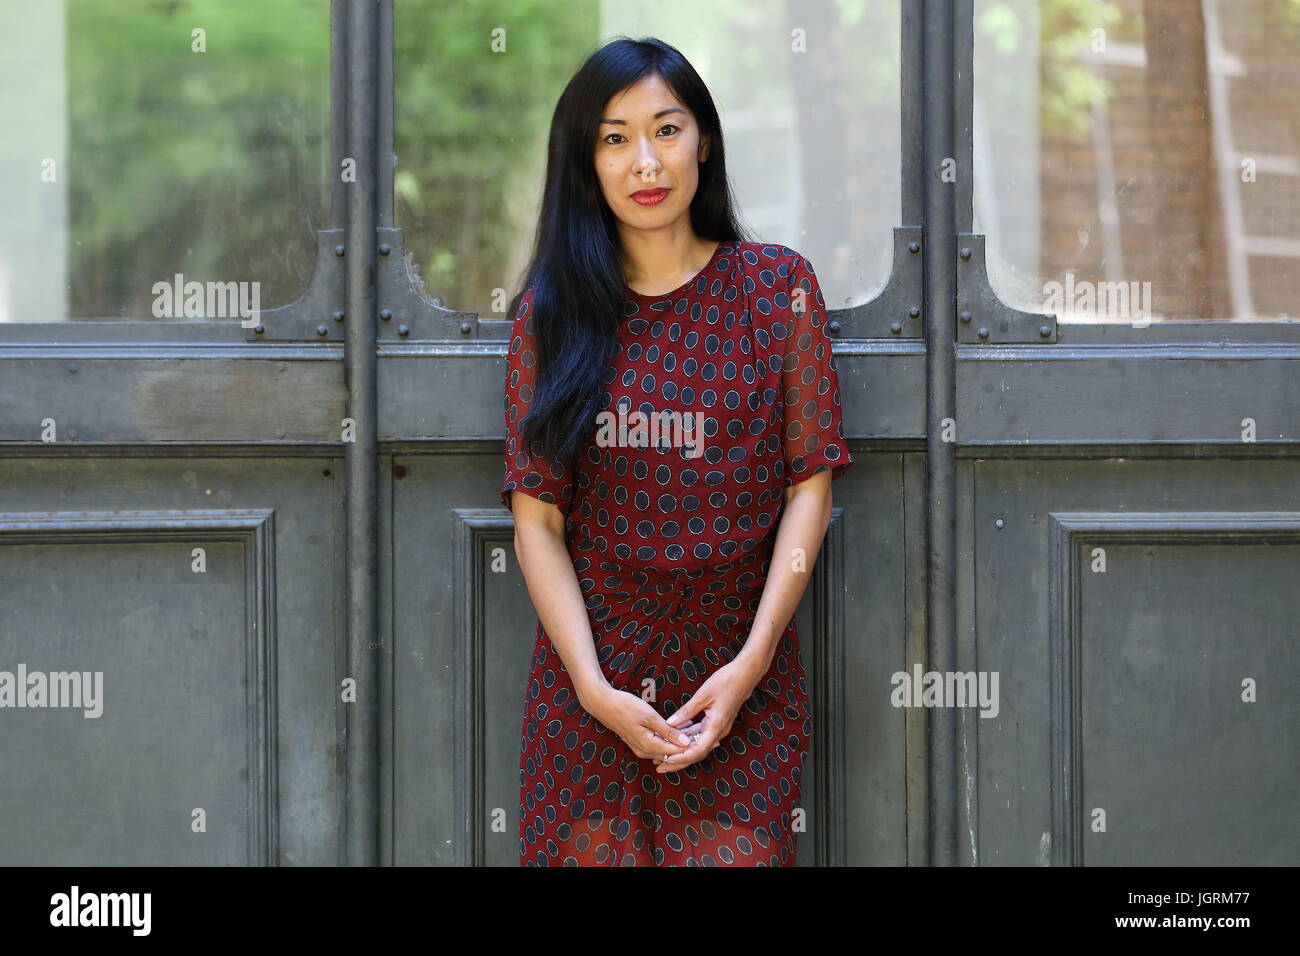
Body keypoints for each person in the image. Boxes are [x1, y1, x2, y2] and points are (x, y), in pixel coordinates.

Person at [500, 36, 853, 866]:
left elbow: (810, 484)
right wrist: (593, 689)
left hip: (737, 678)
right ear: (587, 160)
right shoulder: (552, 315)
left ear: (705, 142)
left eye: (667, 129)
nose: (646, 162)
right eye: (615, 138)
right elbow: (537, 521)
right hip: (592, 688)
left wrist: (752, 664)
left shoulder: (777, 288)